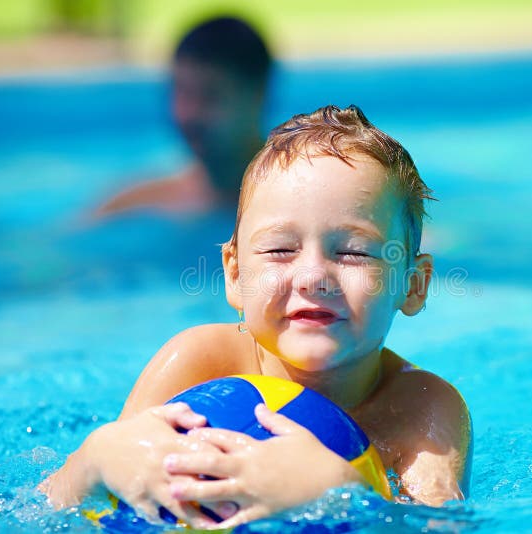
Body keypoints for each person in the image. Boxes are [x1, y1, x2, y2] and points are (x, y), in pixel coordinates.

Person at [42, 105, 472, 529]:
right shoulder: (198, 363)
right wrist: (96, 460)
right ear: (235, 275)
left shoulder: (422, 409)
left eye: (353, 252)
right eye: (280, 249)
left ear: (413, 286)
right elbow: (55, 503)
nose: (312, 276)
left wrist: (343, 492)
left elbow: (439, 526)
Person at [96, 16, 272, 217]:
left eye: (210, 95)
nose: (191, 114)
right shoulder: (132, 206)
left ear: (258, 94)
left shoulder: (300, 205)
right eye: (182, 92)